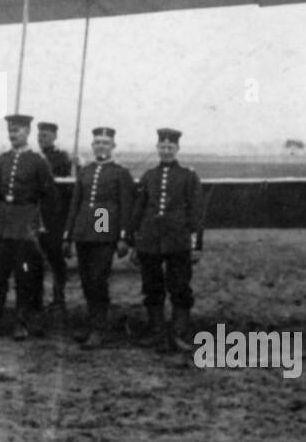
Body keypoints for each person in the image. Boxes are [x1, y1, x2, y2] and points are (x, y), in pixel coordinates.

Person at [0, 113, 57, 340]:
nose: (13, 135)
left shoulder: (38, 161)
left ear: (27, 132)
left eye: (18, 131)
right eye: (11, 131)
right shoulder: (2, 160)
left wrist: (41, 227)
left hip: (25, 225)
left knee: (24, 275)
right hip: (2, 224)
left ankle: (22, 322)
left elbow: (50, 196)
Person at [129, 128, 204, 352]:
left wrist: (196, 245)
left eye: (170, 147)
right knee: (152, 287)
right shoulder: (149, 176)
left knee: (180, 287)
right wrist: (135, 242)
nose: (166, 151)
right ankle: (156, 332)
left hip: (177, 240)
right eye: (162, 147)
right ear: (157, 149)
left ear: (177, 149)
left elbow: (197, 213)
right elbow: (138, 211)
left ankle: (178, 334)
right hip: (150, 240)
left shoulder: (188, 176)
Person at [63, 126, 134, 349]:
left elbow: (125, 206)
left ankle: (99, 328)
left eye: (105, 143)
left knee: (97, 278)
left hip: (103, 226)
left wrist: (123, 237)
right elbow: (75, 204)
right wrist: (69, 235)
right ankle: (94, 323)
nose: (101, 146)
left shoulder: (120, 172)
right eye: (97, 143)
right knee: (86, 280)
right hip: (83, 229)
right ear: (92, 146)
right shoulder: (85, 171)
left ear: (113, 146)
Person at [36, 121, 72, 310]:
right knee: (35, 256)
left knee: (55, 255)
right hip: (36, 213)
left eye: (46, 136)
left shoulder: (61, 157)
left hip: (54, 215)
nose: (42, 139)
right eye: (40, 136)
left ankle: (59, 295)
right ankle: (37, 297)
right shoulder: (34, 156)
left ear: (54, 137)